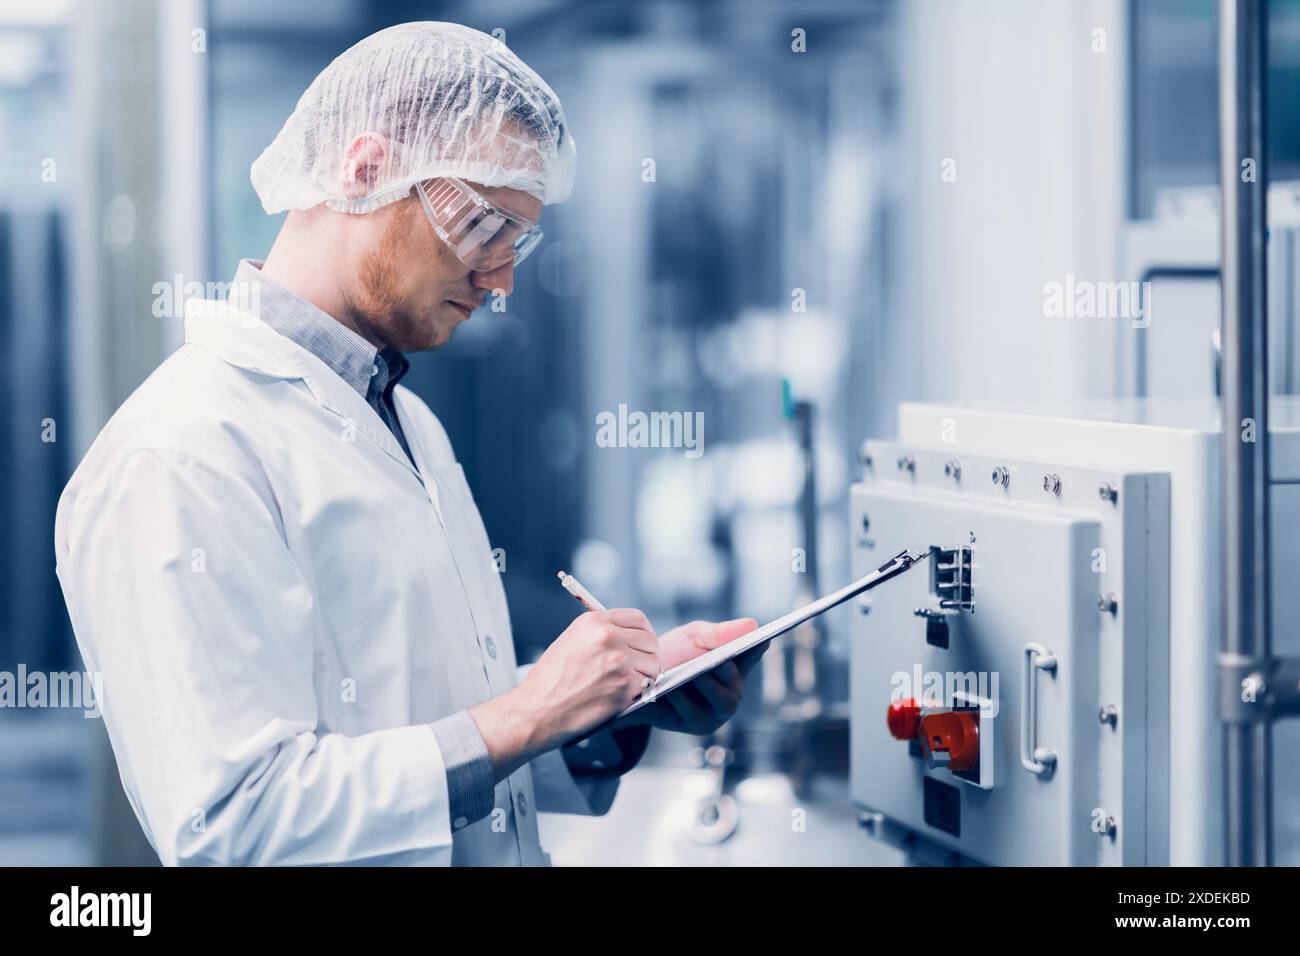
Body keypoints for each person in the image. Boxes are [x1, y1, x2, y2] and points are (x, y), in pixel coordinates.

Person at [53, 21, 763, 866]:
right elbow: (234, 821)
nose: (501, 280)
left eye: (519, 243)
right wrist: (531, 710)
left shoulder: (404, 421)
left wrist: (599, 719)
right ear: (364, 170)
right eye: (484, 227)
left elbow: (440, 732)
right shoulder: (180, 456)